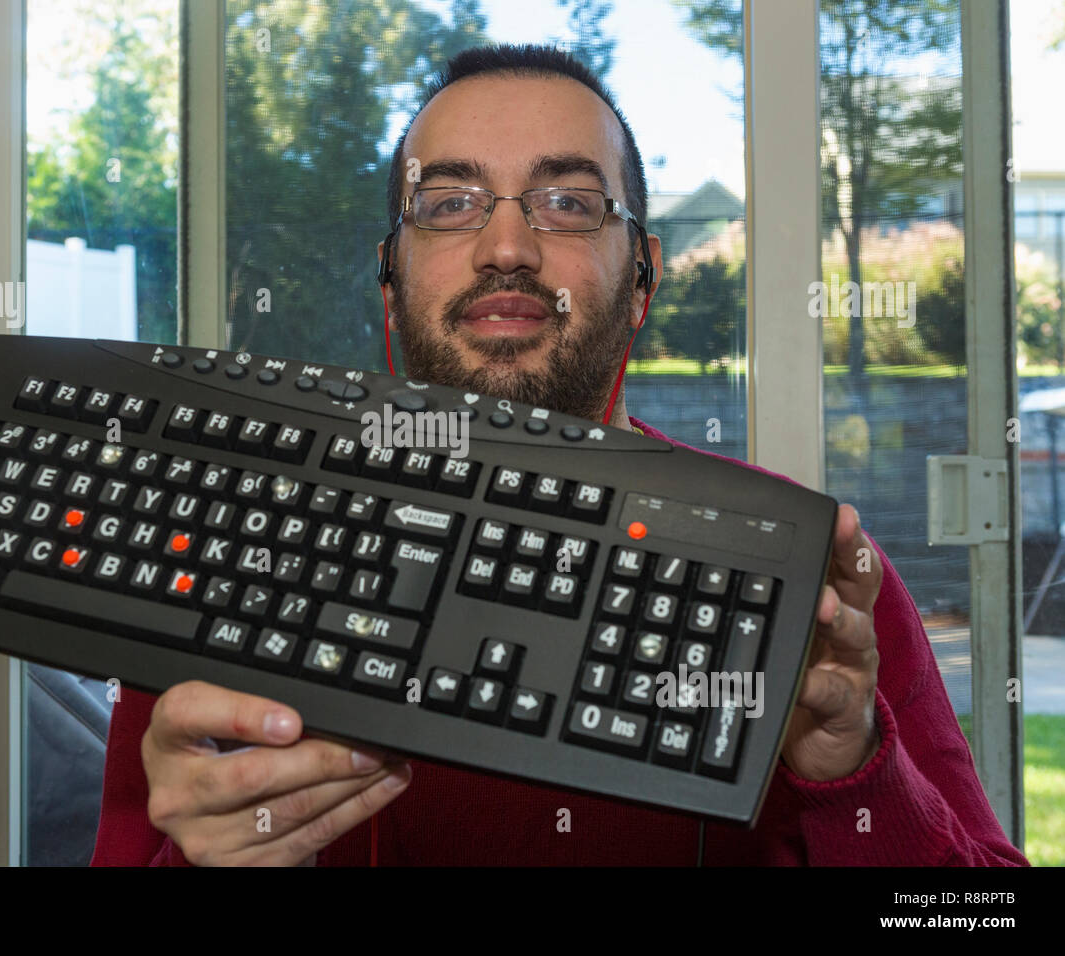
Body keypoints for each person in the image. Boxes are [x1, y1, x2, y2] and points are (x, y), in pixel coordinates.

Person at [91, 43, 1029, 866]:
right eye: (449, 203)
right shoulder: (223, 562)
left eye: (569, 203)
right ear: (390, 282)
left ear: (644, 279)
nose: (507, 246)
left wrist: (856, 777)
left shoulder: (815, 580)